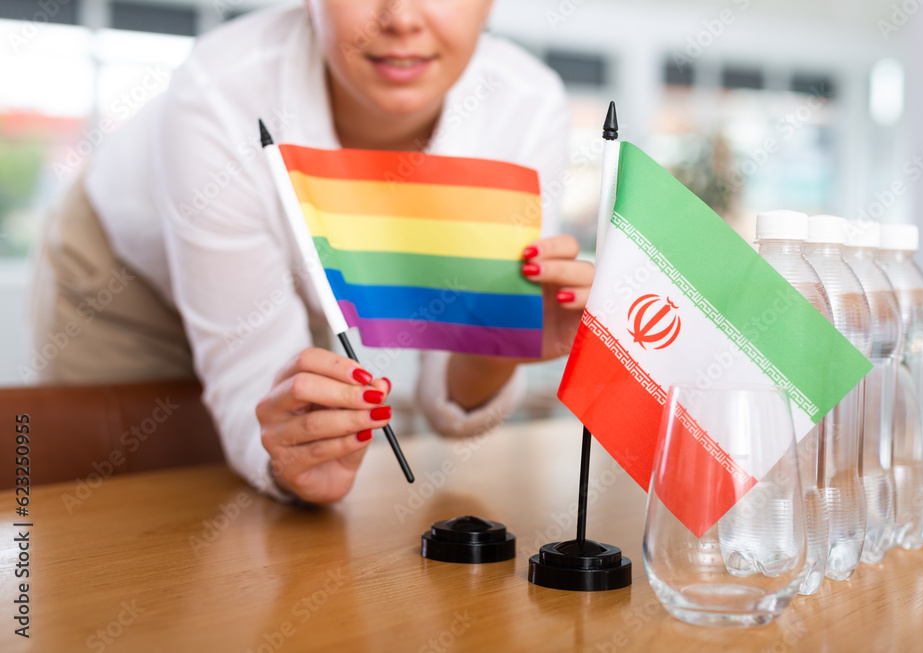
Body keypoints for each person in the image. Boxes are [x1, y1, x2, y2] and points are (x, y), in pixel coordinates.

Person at [30, 0, 593, 504]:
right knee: (125, 507)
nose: (401, 18)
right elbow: (250, 380)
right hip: (123, 280)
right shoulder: (223, 89)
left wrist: (497, 346)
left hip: (297, 280)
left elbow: (454, 396)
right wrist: (288, 459)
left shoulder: (526, 106)